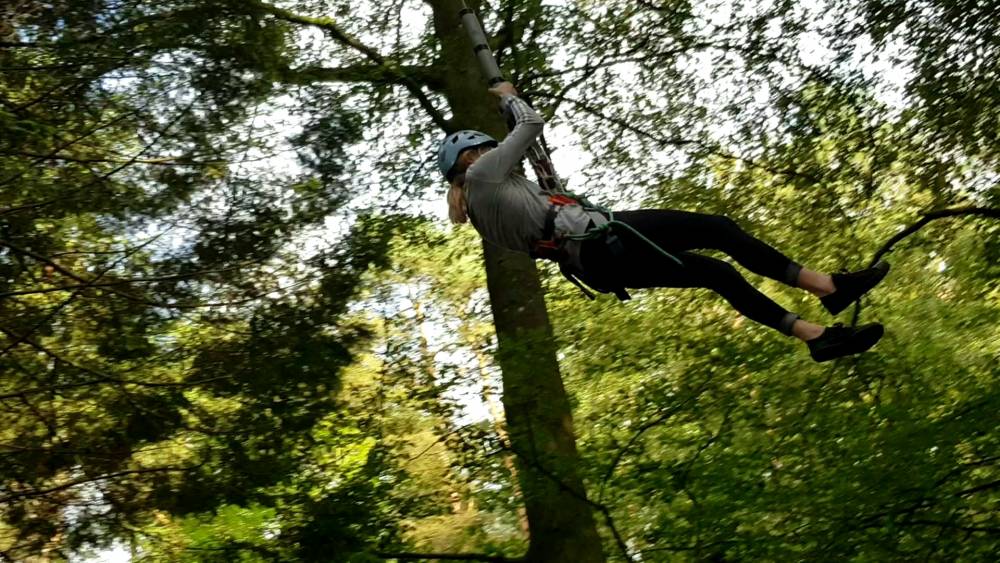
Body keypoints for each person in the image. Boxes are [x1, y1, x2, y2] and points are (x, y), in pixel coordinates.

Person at [438, 82, 889, 362]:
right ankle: (828, 287)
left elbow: (551, 193)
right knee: (717, 229)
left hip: (594, 262)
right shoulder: (482, 176)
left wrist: (542, 169)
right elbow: (531, 124)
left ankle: (816, 337)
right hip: (601, 238)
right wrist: (510, 99)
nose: (497, 154)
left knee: (717, 273)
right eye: (489, 148)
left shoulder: (485, 211)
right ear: (473, 156)